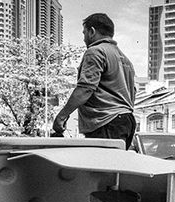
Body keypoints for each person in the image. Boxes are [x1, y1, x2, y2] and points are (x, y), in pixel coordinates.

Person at [52, 13, 136, 149]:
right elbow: (133, 93)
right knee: (114, 168)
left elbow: (85, 89)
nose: (84, 38)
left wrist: (62, 116)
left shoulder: (96, 52)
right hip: (126, 121)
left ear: (92, 31)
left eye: (84, 33)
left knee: (101, 168)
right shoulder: (125, 59)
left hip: (105, 121)